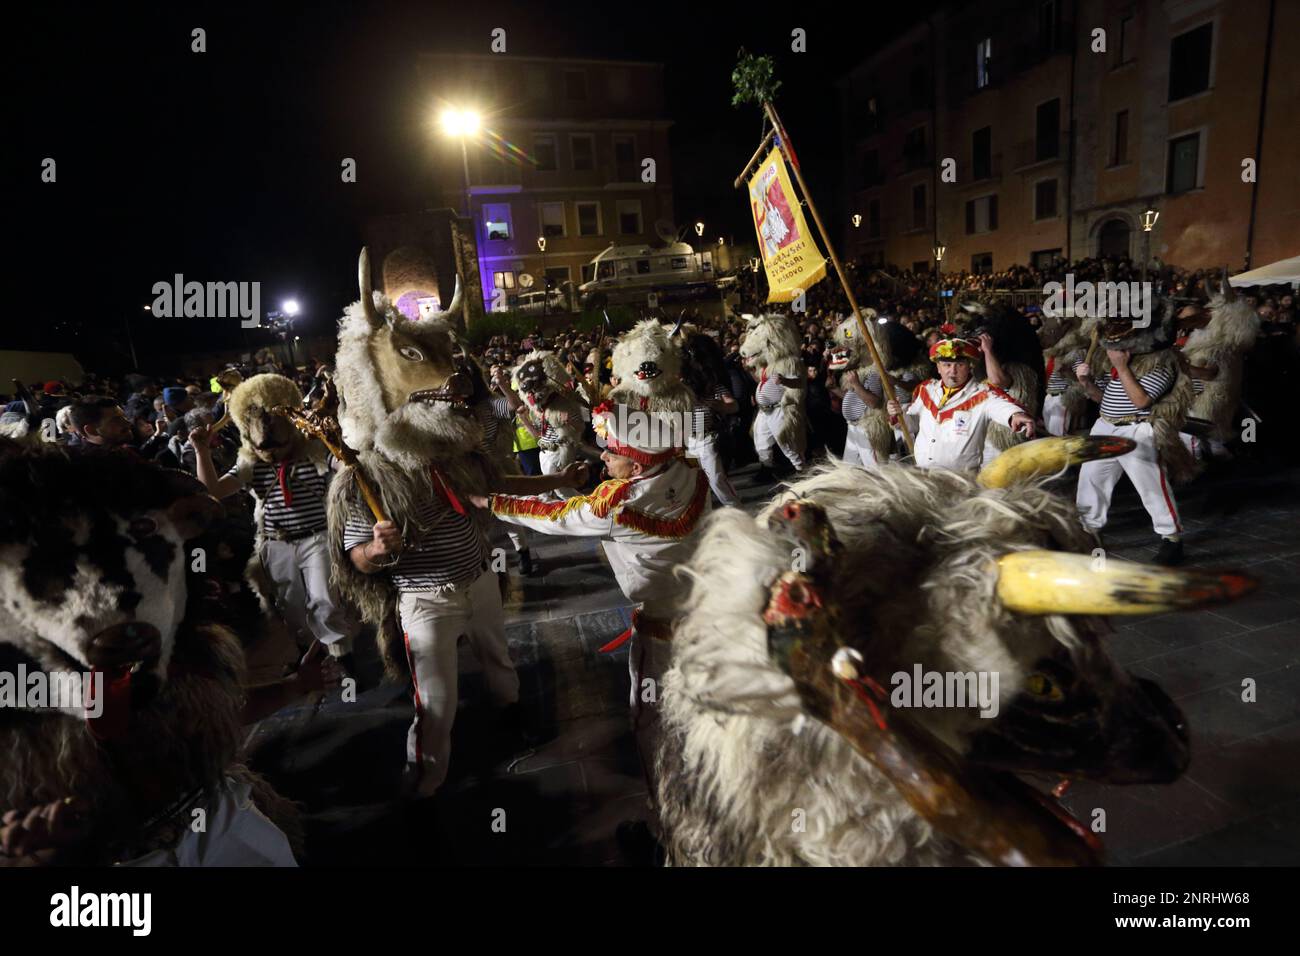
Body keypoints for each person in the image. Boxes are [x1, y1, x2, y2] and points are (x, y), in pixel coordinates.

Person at [1073, 348, 1185, 565]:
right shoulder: (1116, 362)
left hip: (1137, 429)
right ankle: (1089, 535)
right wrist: (1086, 383)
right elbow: (1103, 398)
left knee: (1151, 487)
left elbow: (1141, 401)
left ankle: (1172, 539)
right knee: (1090, 482)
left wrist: (1121, 367)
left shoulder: (1162, 362)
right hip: (1105, 426)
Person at [886, 337, 1035, 471]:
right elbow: (911, 425)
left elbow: (1001, 406)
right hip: (925, 476)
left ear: (969, 366)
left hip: (962, 481)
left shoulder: (983, 393)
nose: (952, 371)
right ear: (938, 368)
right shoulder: (925, 390)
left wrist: (1014, 415)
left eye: (959, 365)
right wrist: (898, 413)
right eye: (946, 365)